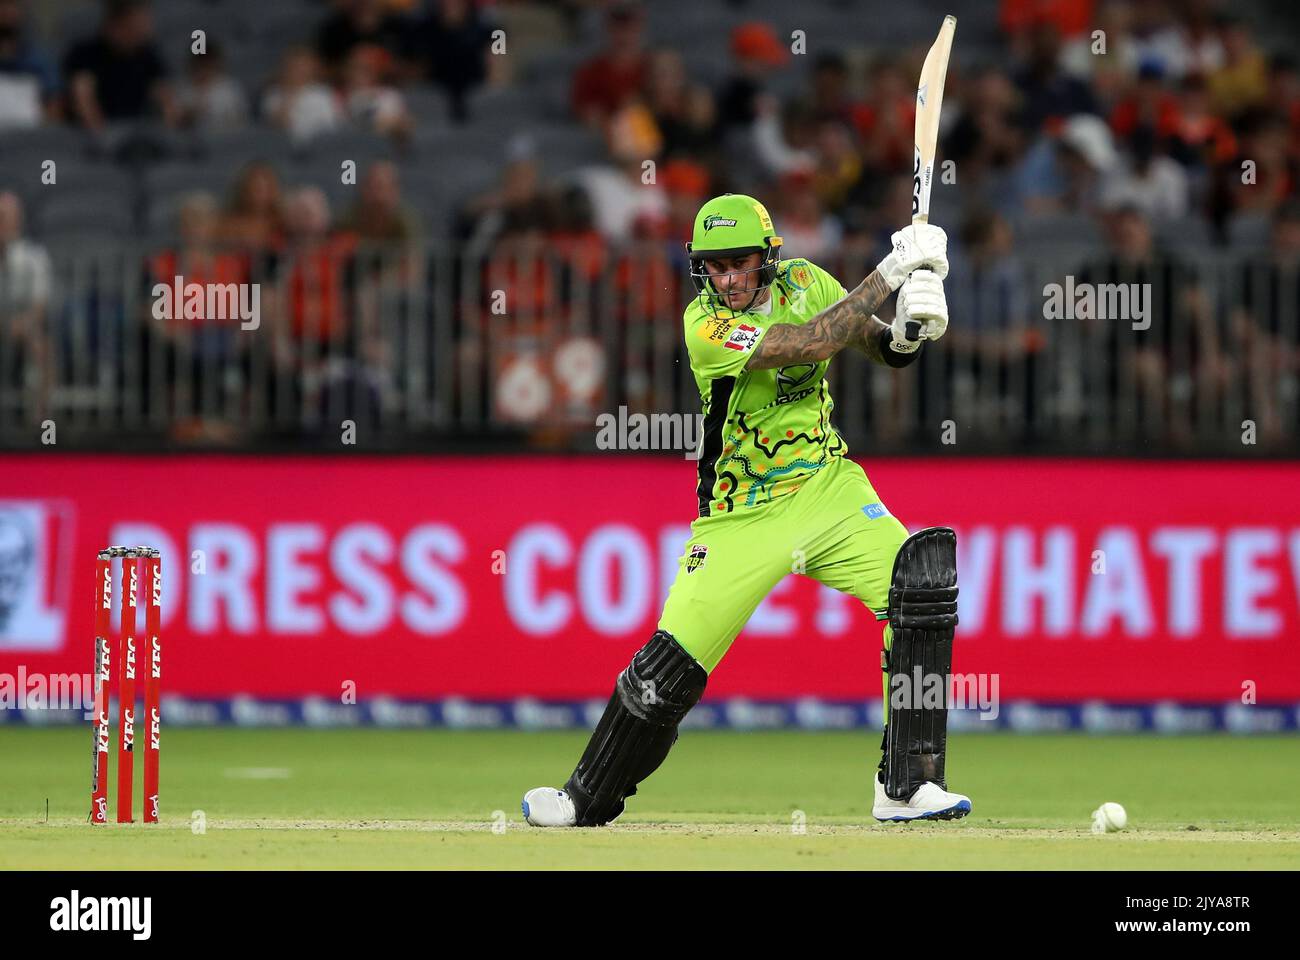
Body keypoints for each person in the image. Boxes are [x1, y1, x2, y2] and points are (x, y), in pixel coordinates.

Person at [523, 194, 971, 826]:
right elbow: (808, 344)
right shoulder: (702, 325)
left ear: (768, 259)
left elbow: (878, 348)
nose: (727, 280)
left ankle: (906, 784)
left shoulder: (809, 281)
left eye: (739, 264)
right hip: (740, 515)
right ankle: (584, 798)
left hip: (829, 488)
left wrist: (912, 327)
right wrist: (890, 273)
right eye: (714, 266)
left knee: (919, 589)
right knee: (666, 669)